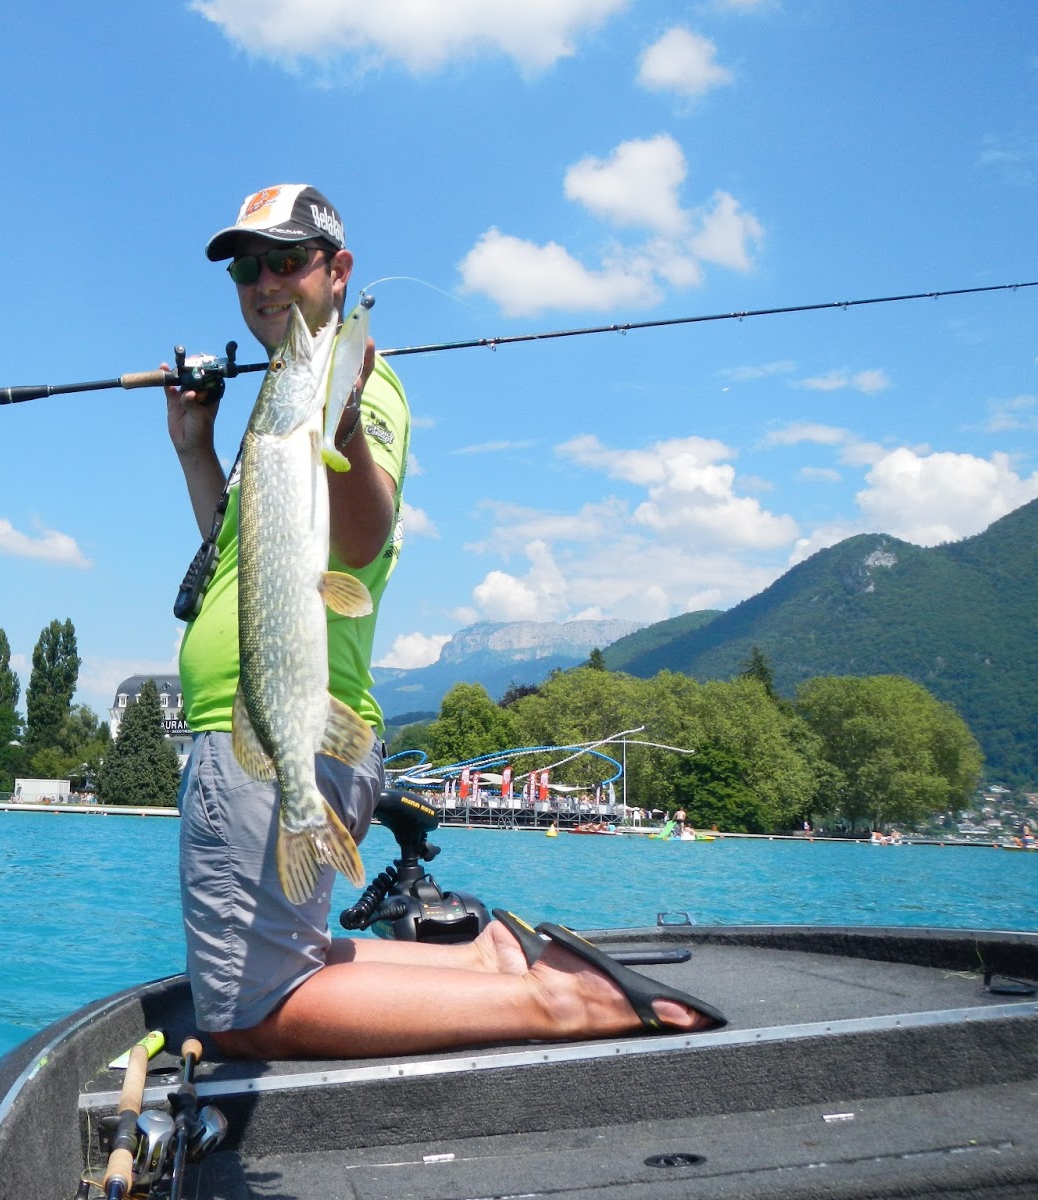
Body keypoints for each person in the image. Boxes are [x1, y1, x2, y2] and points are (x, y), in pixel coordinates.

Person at [165, 183, 723, 1060]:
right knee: (292, 964)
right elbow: (239, 558)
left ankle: (555, 1008)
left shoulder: (356, 384)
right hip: (271, 727)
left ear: (336, 270)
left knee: (243, 1016)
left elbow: (363, 535)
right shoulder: (280, 403)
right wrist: (197, 449)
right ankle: (492, 962)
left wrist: (340, 418)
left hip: (279, 729)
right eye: (246, 266)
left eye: (286, 259)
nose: (262, 281)